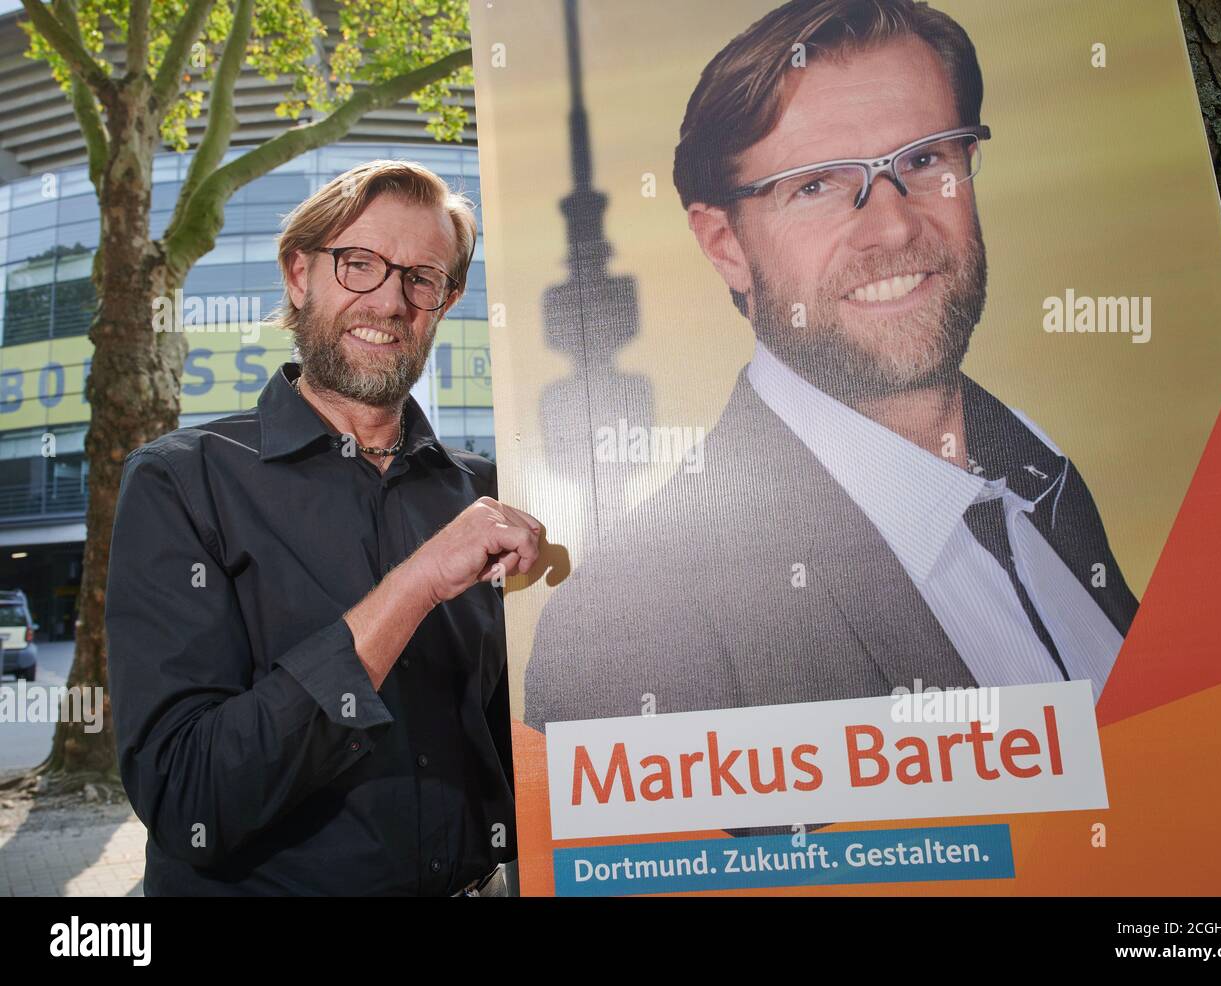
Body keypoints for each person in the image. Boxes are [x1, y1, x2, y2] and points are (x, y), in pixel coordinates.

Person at [525, 0, 1136, 729]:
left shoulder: (1046, 489)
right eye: (815, 185)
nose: (894, 225)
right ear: (725, 245)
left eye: (924, 158)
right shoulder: (628, 631)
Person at [106, 160, 542, 895]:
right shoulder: (182, 482)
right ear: (298, 273)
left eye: (421, 277)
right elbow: (188, 795)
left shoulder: (484, 493)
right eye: (359, 264)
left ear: (447, 299)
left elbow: (518, 741)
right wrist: (414, 586)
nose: (389, 300)